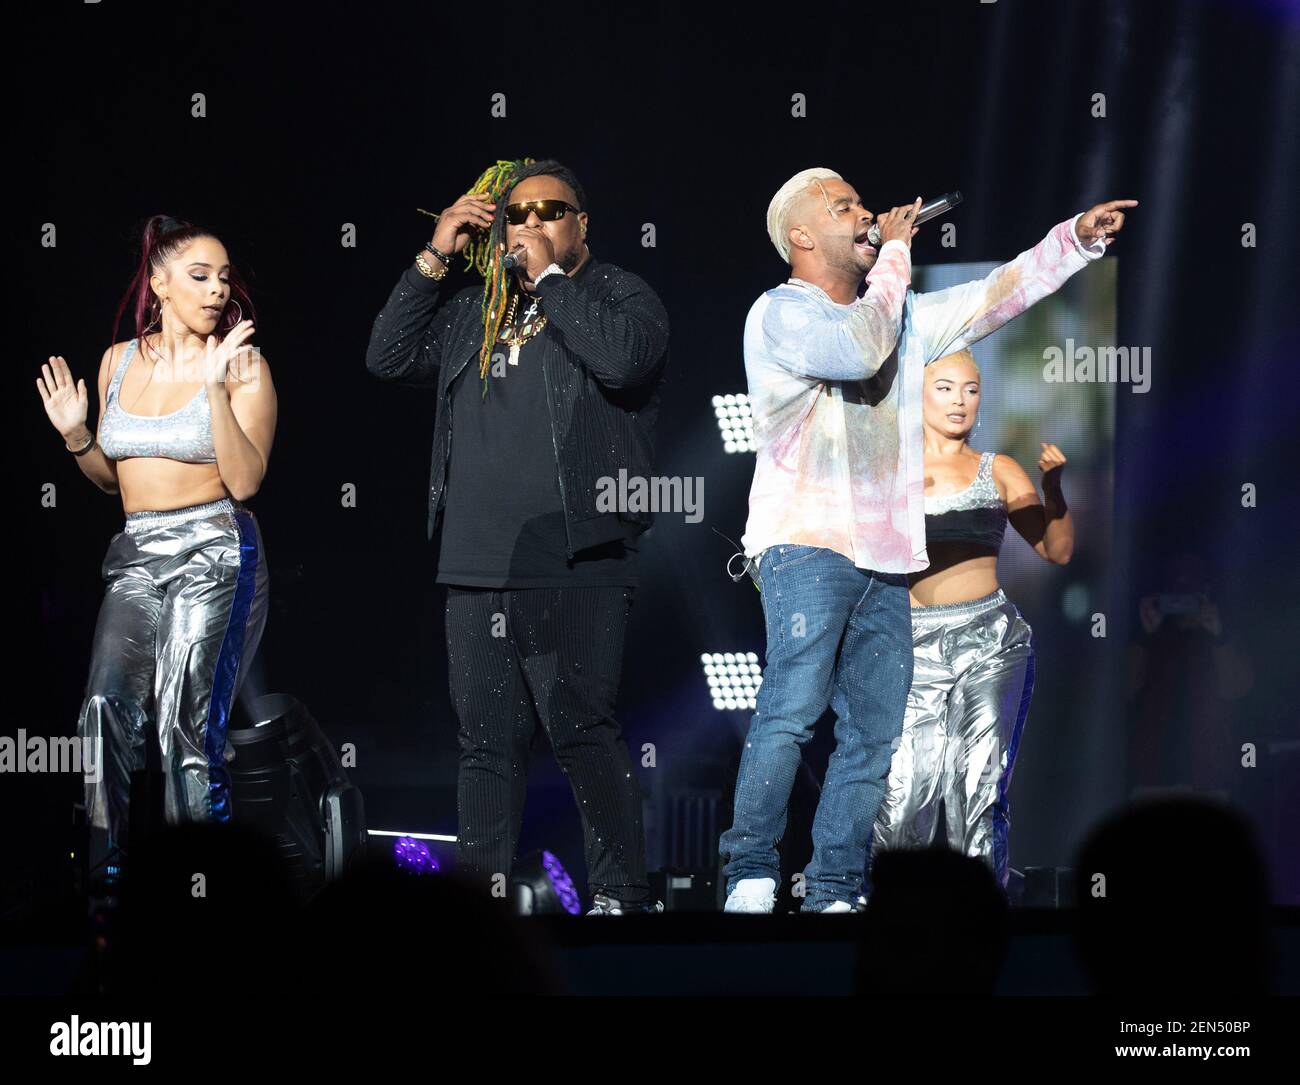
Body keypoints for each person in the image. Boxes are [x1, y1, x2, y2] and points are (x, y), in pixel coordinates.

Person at [719, 165, 1133, 913]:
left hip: (886, 553)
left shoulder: (902, 315)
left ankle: (839, 885)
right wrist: (900, 254)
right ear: (803, 236)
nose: (866, 212)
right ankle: (748, 870)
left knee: (873, 733)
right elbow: (859, 351)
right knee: (792, 707)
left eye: (861, 200)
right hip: (806, 542)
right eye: (844, 205)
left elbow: (998, 292)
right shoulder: (780, 312)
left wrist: (1075, 241)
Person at [365, 158, 669, 914]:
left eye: (551, 210)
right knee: (486, 751)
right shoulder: (474, 310)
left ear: (582, 223)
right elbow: (387, 356)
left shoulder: (617, 294)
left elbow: (625, 362)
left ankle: (624, 900)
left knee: (583, 734)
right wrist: (434, 255)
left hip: (577, 557)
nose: (531, 223)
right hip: (474, 562)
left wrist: (554, 284)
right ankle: (481, 913)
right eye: (517, 214)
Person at [36, 214, 275, 876]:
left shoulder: (245, 365)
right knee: (102, 710)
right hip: (137, 554)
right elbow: (116, 482)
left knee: (185, 722)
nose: (216, 290)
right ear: (159, 282)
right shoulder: (118, 360)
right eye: (200, 276)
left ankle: (200, 890)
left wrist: (215, 389)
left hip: (216, 549)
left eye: (225, 278)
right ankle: (105, 885)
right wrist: (77, 435)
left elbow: (246, 480)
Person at [867, 349, 1072, 895]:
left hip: (989, 644)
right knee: (902, 798)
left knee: (976, 791)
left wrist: (1052, 491)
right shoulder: (891, 467)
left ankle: (980, 928)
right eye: (946, 388)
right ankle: (894, 927)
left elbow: (1057, 550)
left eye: (972, 389)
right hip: (911, 646)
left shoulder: (997, 468)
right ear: (920, 392)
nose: (960, 400)